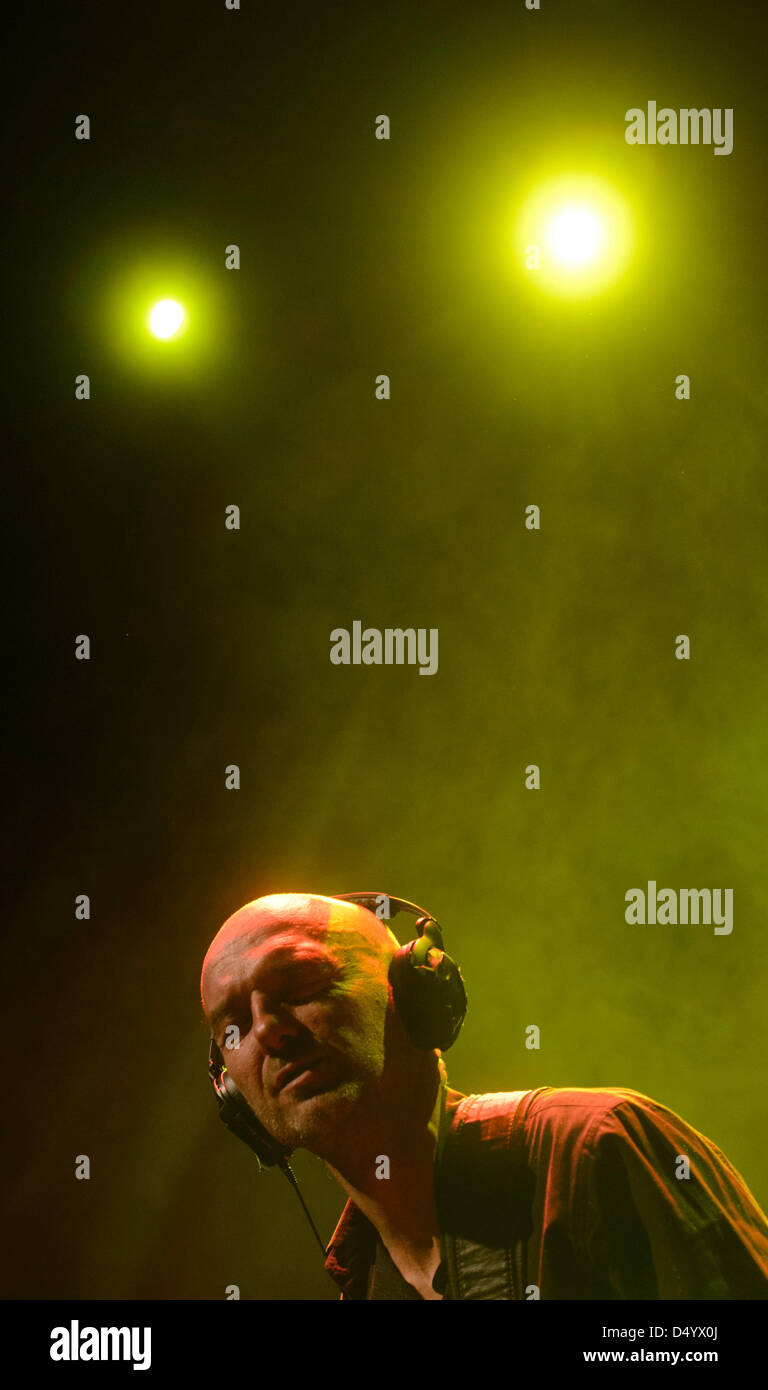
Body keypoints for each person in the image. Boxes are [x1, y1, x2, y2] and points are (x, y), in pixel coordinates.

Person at [200, 892, 768, 1300]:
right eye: (232, 1026)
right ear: (232, 1093)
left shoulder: (596, 1148)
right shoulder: (366, 1279)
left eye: (301, 984)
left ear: (416, 992)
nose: (268, 1031)